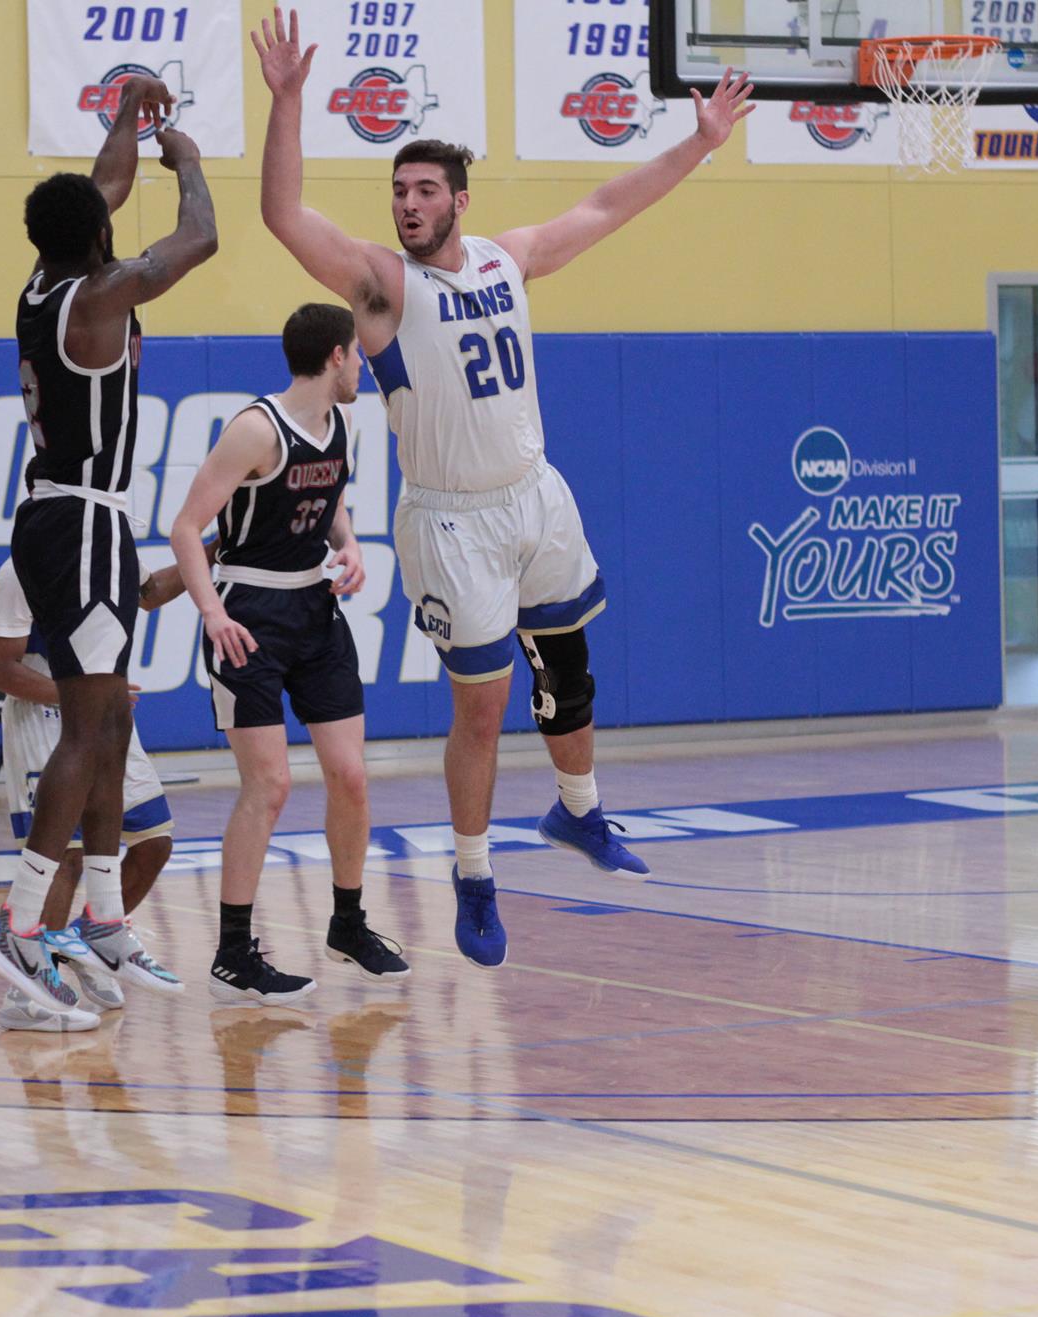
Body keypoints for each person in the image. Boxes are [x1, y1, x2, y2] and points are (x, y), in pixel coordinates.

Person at [252, 9, 753, 965]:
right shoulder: (379, 287)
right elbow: (282, 216)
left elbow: (610, 205)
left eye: (425, 189)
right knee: (480, 705)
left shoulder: (505, 258)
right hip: (450, 521)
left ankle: (579, 812)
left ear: (460, 200)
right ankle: (475, 875)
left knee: (567, 664)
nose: (407, 203)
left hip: (535, 493)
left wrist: (698, 141)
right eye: (398, 189)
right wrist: (286, 104)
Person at [0, 75, 218, 1012]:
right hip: (78, 517)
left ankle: (104, 919)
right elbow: (197, 240)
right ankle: (22, 920)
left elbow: (104, 186)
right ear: (100, 239)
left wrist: (128, 119)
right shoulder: (98, 295)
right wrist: (186, 160)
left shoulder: (48, 276)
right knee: (86, 725)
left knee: (110, 719)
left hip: (82, 516)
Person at [170, 303, 410, 1004]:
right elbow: (186, 528)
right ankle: (233, 949)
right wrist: (210, 612)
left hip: (315, 609)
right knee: (269, 785)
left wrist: (351, 545)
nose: (363, 366)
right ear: (336, 355)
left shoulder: (339, 423)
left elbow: (330, 497)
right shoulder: (254, 429)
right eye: (357, 357)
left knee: (351, 775)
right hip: (249, 613)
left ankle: (348, 923)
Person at [0, 482, 189, 1031]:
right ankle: (27, 995)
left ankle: (82, 943)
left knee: (155, 840)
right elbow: (0, 669)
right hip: (45, 708)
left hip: (105, 703)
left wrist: (211, 548)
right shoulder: (18, 569)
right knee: (66, 856)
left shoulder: (115, 550)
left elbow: (153, 589)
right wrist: (74, 694)